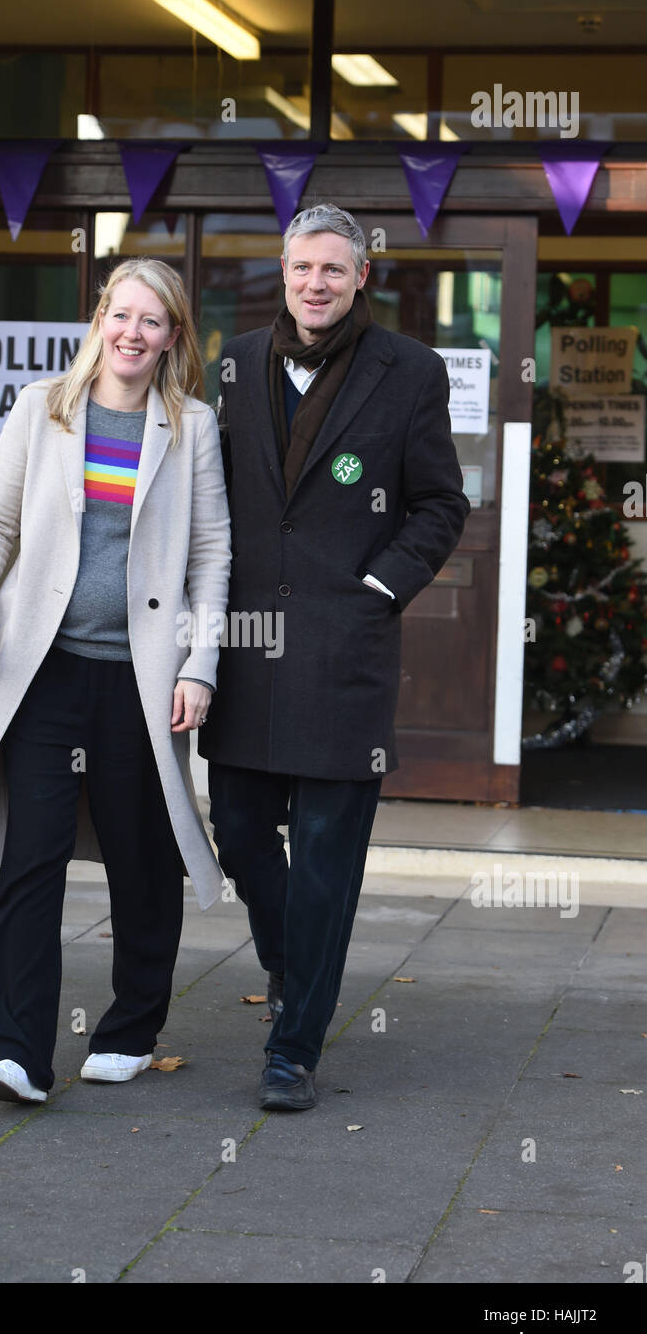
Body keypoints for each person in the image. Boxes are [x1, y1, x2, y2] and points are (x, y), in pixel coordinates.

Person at [0, 258, 231, 1104]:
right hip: (43, 675)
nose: (132, 334)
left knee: (142, 862)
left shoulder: (192, 426)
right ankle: (14, 1051)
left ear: (173, 337)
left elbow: (212, 555)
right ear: (99, 319)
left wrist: (201, 662)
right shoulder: (43, 408)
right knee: (33, 859)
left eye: (152, 321)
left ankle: (130, 1028)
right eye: (121, 315)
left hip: (140, 680)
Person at [199, 204, 470, 1110]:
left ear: (362, 277)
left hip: (343, 647)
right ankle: (289, 963)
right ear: (282, 271)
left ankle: (293, 1049)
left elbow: (439, 503)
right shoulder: (232, 362)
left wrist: (380, 590)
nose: (315, 283)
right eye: (300, 267)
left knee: (324, 861)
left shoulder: (409, 372)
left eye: (333, 269)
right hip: (242, 646)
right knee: (238, 833)